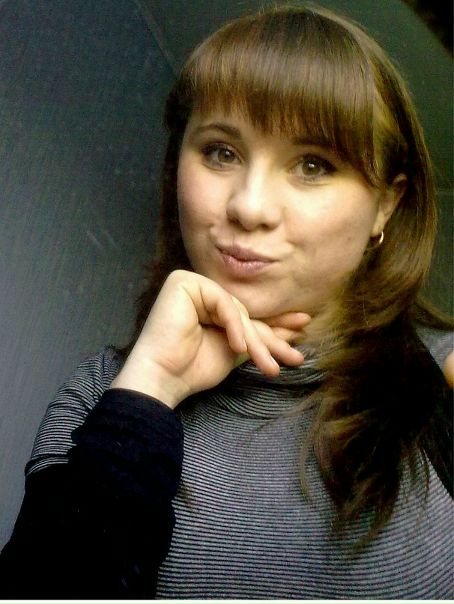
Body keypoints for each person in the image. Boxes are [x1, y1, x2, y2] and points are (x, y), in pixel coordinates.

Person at [0, 4, 452, 599]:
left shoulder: (443, 382)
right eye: (221, 152)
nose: (249, 206)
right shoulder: (100, 396)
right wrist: (148, 392)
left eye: (312, 165)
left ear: (385, 207)